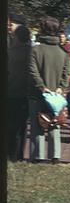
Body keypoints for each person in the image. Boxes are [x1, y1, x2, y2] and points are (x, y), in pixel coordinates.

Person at [28, 17, 70, 164]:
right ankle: (55, 155)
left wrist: (41, 86)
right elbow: (67, 72)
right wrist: (61, 87)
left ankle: (37, 155)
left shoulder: (36, 50)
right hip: (57, 94)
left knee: (38, 123)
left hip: (38, 93)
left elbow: (32, 71)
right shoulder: (63, 53)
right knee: (55, 123)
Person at [8, 25, 32, 161]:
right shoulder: (30, 52)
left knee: (10, 125)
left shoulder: (11, 52)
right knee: (21, 126)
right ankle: (18, 154)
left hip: (11, 92)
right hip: (23, 93)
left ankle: (10, 153)